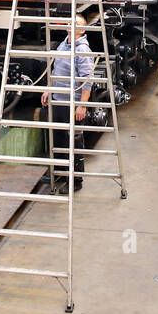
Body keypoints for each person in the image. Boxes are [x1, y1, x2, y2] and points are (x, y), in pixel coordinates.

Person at [40, 14, 93, 193]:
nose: (71, 25)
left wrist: (82, 105)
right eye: (70, 22)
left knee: (74, 140)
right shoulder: (64, 44)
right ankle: (59, 171)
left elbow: (87, 80)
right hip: (59, 99)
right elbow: (56, 70)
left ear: (83, 30)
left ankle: (75, 179)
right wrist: (49, 89)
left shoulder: (83, 50)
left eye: (76, 23)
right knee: (59, 138)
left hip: (72, 102)